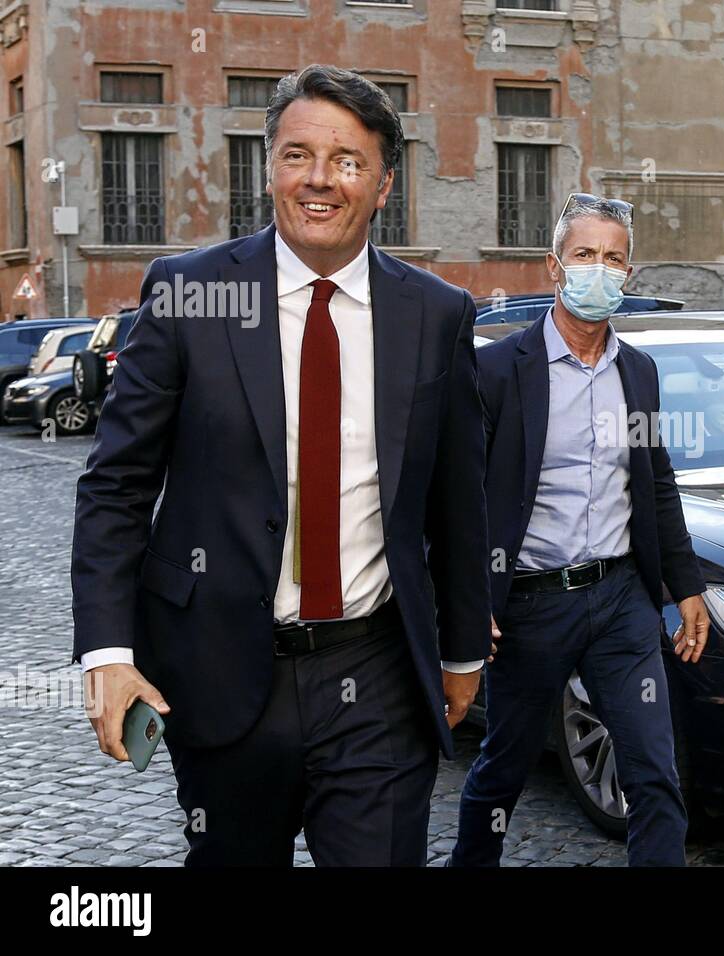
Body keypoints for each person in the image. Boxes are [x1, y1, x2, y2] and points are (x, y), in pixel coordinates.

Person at [70, 65, 492, 866]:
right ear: (269, 168)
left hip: (375, 673)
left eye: (347, 161)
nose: (320, 181)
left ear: (384, 182)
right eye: (297, 155)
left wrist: (463, 650)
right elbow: (116, 487)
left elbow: (457, 500)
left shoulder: (436, 314)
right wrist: (109, 655)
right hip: (223, 671)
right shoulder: (189, 293)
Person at [450, 194, 710, 867]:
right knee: (503, 770)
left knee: (654, 770)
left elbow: (656, 482)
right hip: (531, 605)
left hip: (621, 599)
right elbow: (455, 498)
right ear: (555, 265)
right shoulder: (497, 371)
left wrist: (686, 586)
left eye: (614, 258)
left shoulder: (639, 372)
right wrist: (469, 601)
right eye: (585, 255)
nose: (600, 270)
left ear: (631, 273)